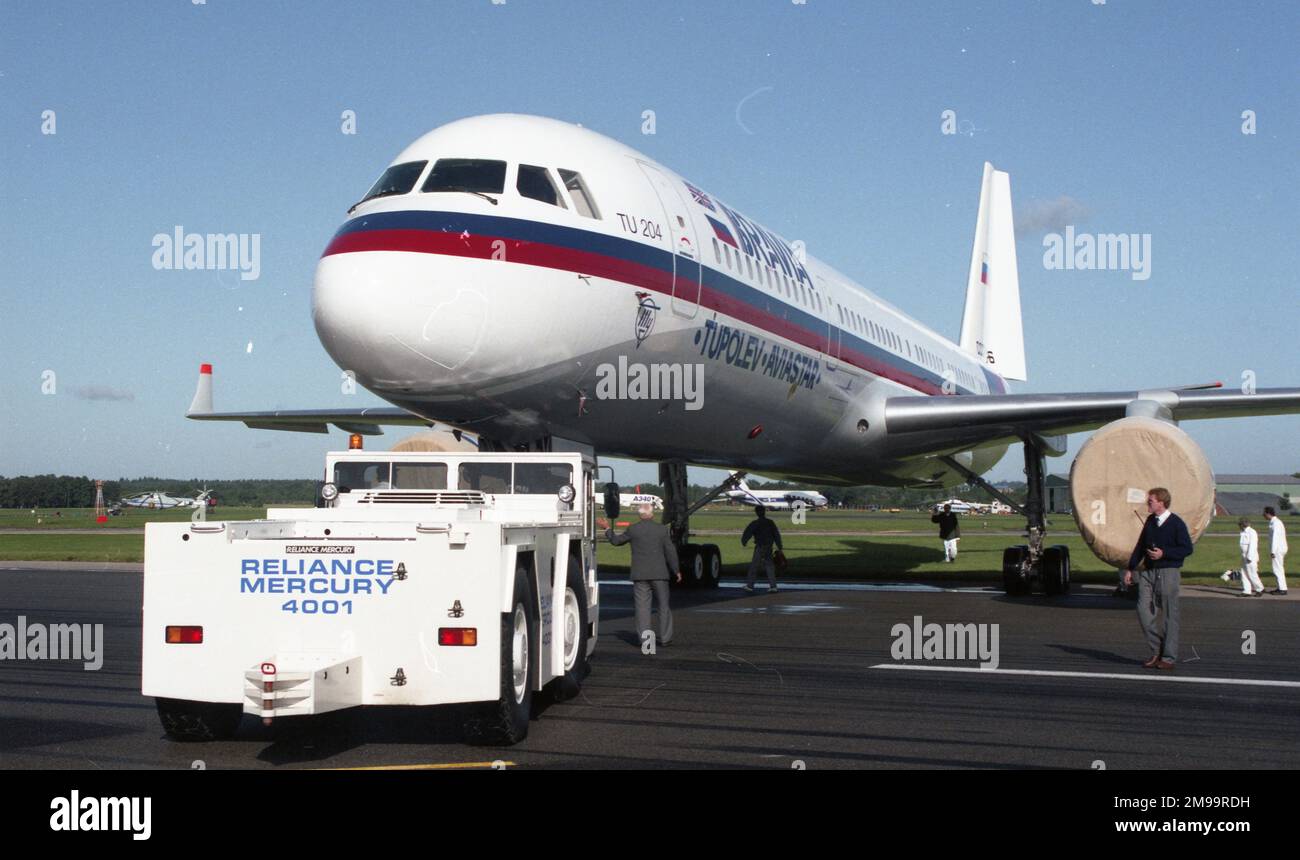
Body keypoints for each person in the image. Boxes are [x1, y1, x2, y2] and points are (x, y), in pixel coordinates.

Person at [1123, 487, 1194, 670]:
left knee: (1170, 615)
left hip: (1168, 571)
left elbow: (1187, 549)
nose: (1148, 503)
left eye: (1151, 501)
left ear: (1161, 503)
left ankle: (1168, 657)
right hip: (1147, 572)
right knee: (1143, 610)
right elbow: (1140, 546)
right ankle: (1157, 649)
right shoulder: (1149, 521)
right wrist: (1130, 568)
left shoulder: (1176, 523)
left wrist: (1165, 553)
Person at [598, 504, 681, 650]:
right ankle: (666, 638)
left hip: (640, 574)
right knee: (663, 606)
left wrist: (607, 528)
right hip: (659, 574)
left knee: (642, 608)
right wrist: (676, 570)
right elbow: (670, 551)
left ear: (639, 515)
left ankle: (646, 641)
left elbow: (616, 541)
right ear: (652, 514)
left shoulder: (633, 529)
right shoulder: (662, 530)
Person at [741, 505, 783, 593]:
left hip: (760, 547)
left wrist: (744, 542)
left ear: (756, 512)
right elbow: (776, 535)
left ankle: (750, 585)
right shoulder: (770, 522)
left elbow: (747, 533)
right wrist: (779, 547)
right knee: (769, 566)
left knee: (754, 566)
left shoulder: (755, 523)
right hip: (769, 547)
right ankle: (773, 586)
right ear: (764, 512)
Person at [1237, 517, 1265, 597]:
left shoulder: (1252, 532)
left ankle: (1260, 589)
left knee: (1252, 574)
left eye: (1240, 524)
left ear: (1243, 524)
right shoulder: (1243, 532)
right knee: (1244, 573)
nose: (1239, 525)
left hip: (1250, 557)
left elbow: (1253, 545)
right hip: (1244, 556)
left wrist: (1249, 557)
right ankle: (1247, 591)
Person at [1264, 506, 1288, 595]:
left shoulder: (1276, 523)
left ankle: (1282, 589)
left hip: (1278, 549)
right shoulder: (1274, 522)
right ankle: (1280, 587)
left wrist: (1273, 551)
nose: (1263, 515)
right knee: (1278, 568)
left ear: (1267, 513)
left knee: (1277, 569)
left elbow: (1275, 538)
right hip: (1279, 548)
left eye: (1264, 513)